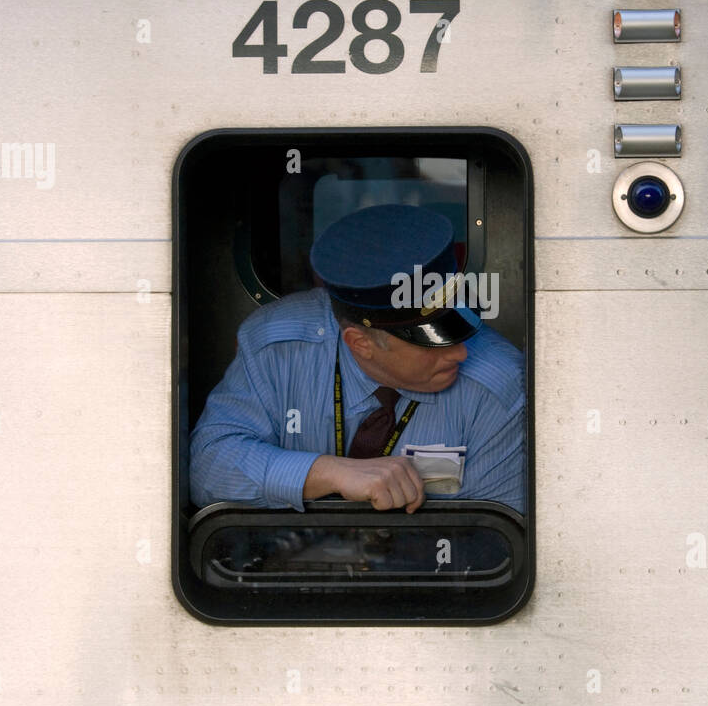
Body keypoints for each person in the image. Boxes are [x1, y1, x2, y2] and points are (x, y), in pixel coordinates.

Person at [190, 204, 524, 514]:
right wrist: (326, 472)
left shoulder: (500, 384)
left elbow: (493, 536)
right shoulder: (276, 348)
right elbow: (207, 469)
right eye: (433, 342)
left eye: (458, 327)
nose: (462, 352)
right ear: (360, 342)